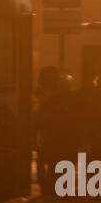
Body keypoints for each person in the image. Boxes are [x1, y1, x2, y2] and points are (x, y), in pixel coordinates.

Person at [34, 66, 71, 194]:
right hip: (61, 139)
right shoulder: (62, 97)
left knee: (45, 164)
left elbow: (38, 119)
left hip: (47, 138)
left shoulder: (41, 97)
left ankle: (47, 190)